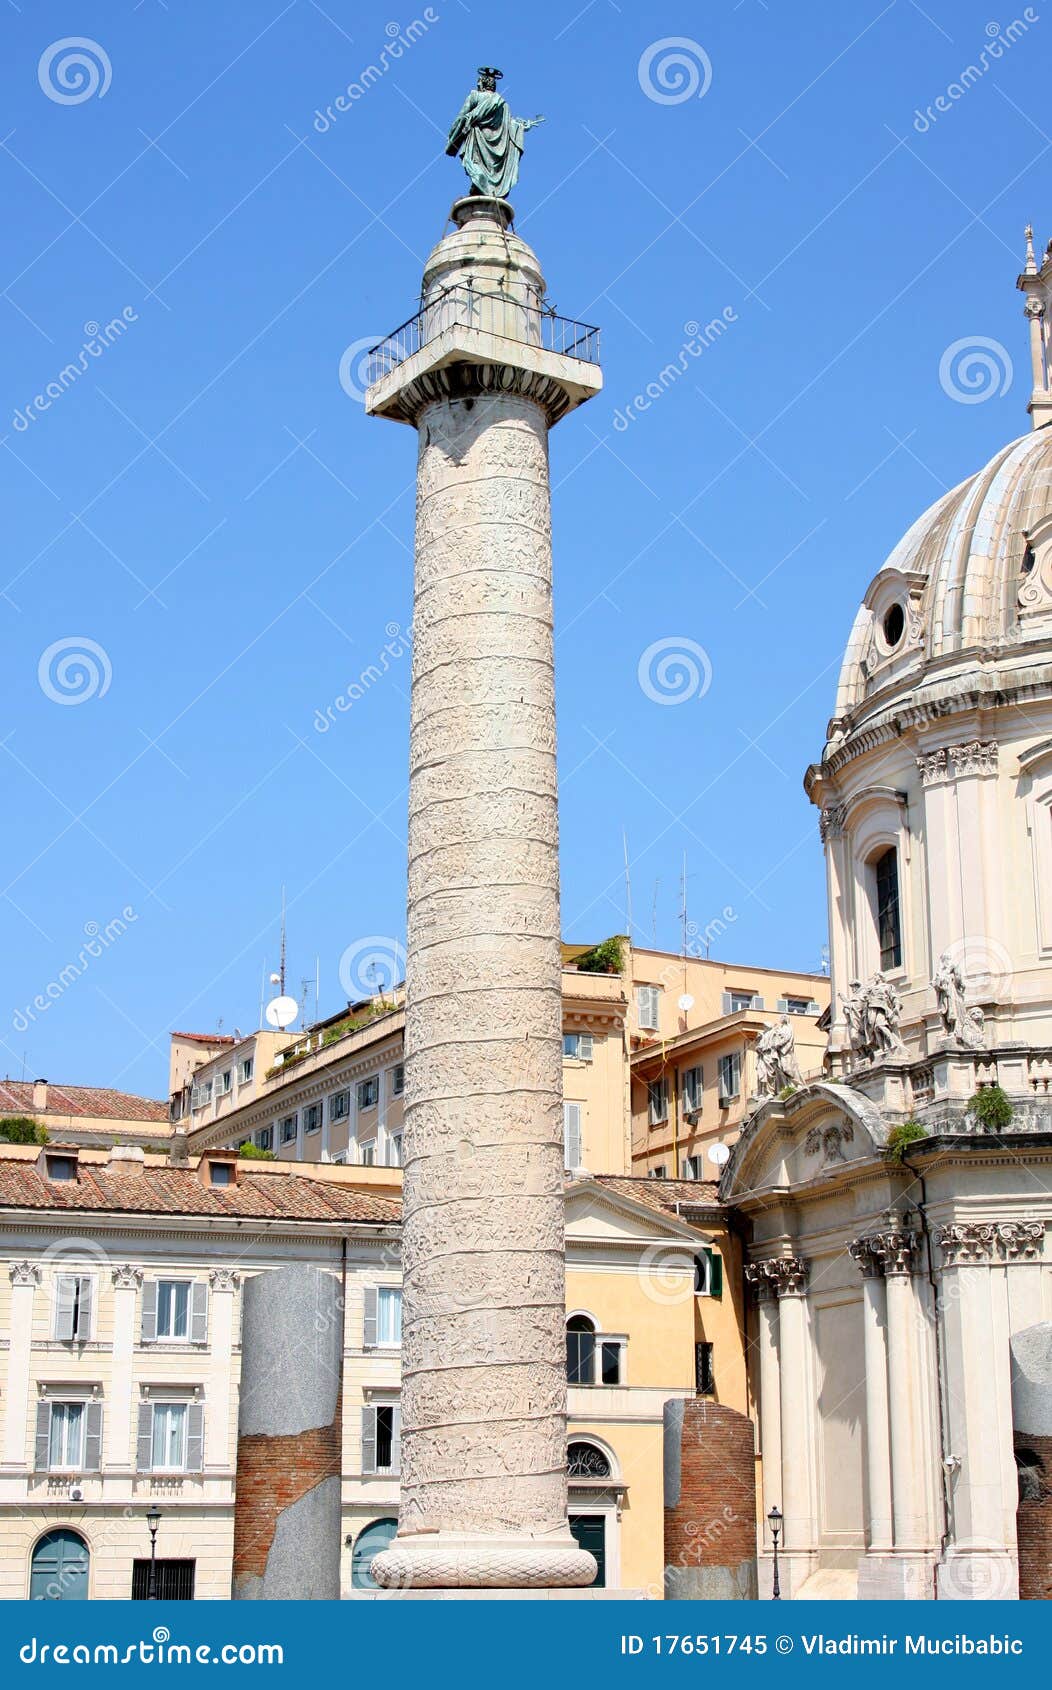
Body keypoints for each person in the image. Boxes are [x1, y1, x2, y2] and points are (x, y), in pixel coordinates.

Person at [446, 67, 544, 199]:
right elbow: (510, 125)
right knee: (485, 170)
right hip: (497, 145)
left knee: (475, 167)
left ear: (482, 83)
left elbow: (461, 118)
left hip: (477, 140)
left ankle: (480, 185)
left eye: (479, 83)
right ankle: (483, 186)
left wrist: (452, 139)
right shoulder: (503, 104)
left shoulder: (475, 96)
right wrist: (521, 126)